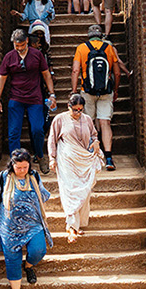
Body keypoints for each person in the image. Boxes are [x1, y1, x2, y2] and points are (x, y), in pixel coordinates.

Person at [0, 149, 52, 289]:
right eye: (18, 167)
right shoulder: (4, 178)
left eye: (25, 167)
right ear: (12, 165)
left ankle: (28, 266)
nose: (22, 171)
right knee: (12, 261)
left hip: (33, 225)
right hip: (9, 229)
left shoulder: (34, 177)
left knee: (38, 250)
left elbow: (43, 195)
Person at [0, 29, 56, 171]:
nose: (20, 48)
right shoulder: (9, 57)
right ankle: (15, 163)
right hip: (16, 98)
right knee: (13, 132)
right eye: (17, 46)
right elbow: (2, 78)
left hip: (35, 98)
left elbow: (46, 75)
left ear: (27, 41)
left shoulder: (37, 55)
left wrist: (52, 94)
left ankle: (40, 156)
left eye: (22, 45)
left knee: (37, 130)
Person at [48, 93, 102, 241]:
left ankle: (77, 225)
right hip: (66, 159)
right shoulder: (59, 119)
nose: (78, 113)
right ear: (68, 107)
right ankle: (71, 226)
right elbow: (52, 139)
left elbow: (94, 135)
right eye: (75, 110)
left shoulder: (87, 119)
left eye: (80, 110)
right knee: (70, 191)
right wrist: (52, 158)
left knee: (84, 191)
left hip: (83, 160)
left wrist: (95, 142)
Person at [72, 24, 120, 171]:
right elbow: (117, 73)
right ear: (100, 35)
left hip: (87, 91)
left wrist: (74, 91)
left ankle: (90, 154)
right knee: (105, 123)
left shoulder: (82, 48)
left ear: (88, 35)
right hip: (106, 91)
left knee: (87, 122)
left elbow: (75, 70)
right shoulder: (109, 48)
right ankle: (109, 158)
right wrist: (116, 90)